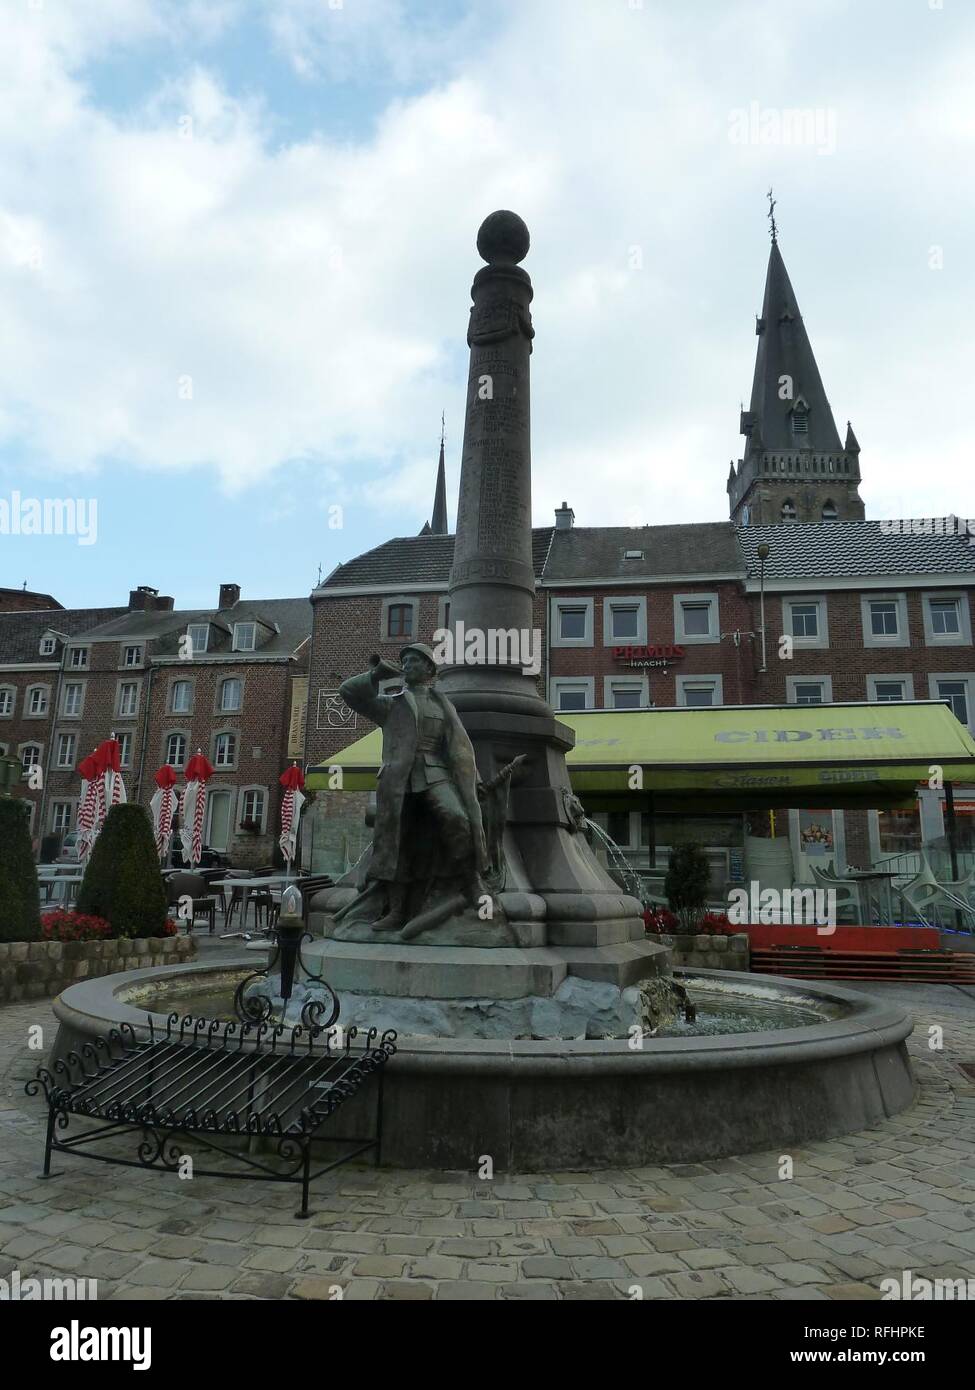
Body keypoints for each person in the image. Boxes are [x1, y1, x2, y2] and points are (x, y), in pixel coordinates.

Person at [339, 644, 489, 932]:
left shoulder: (442, 703)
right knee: (398, 842)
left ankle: (470, 879)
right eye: (404, 661)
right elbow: (349, 692)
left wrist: (475, 780)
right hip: (399, 780)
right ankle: (396, 910)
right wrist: (376, 673)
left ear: (430, 669)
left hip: (435, 773)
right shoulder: (390, 703)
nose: (407, 665)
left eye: (414, 661)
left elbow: (459, 747)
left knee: (458, 818)